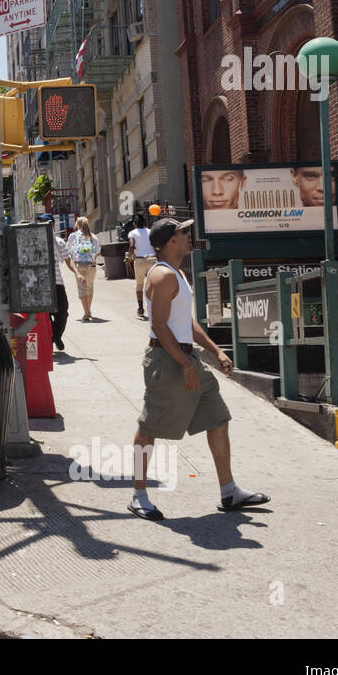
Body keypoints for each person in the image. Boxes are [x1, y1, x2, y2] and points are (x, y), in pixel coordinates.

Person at [128, 218, 270, 520]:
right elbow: (160, 326)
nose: (189, 236)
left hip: (186, 358)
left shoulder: (177, 273)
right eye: (183, 233)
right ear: (171, 242)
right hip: (167, 361)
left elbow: (186, 322)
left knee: (218, 418)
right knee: (149, 427)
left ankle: (229, 491)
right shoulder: (163, 276)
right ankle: (138, 495)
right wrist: (185, 364)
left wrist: (214, 350)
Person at [41, 215, 76, 350]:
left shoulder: (59, 242)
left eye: (46, 224)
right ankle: (51, 339)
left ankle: (56, 336)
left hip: (57, 284)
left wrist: (77, 273)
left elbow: (68, 261)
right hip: (41, 286)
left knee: (62, 313)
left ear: (52, 226)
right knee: (45, 316)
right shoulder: (34, 241)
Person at [66, 216, 102, 320]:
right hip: (91, 265)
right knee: (89, 287)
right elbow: (98, 251)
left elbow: (68, 250)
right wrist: (92, 257)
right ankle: (89, 310)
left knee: (82, 289)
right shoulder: (93, 236)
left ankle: (86, 313)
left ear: (77, 224)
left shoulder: (73, 236)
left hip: (79, 264)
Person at [128, 213, 156, 320]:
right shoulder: (150, 231)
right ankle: (153, 307)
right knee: (153, 284)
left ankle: (140, 308)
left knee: (139, 285)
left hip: (140, 259)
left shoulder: (132, 233)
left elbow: (131, 246)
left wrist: (130, 256)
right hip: (152, 259)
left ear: (135, 224)